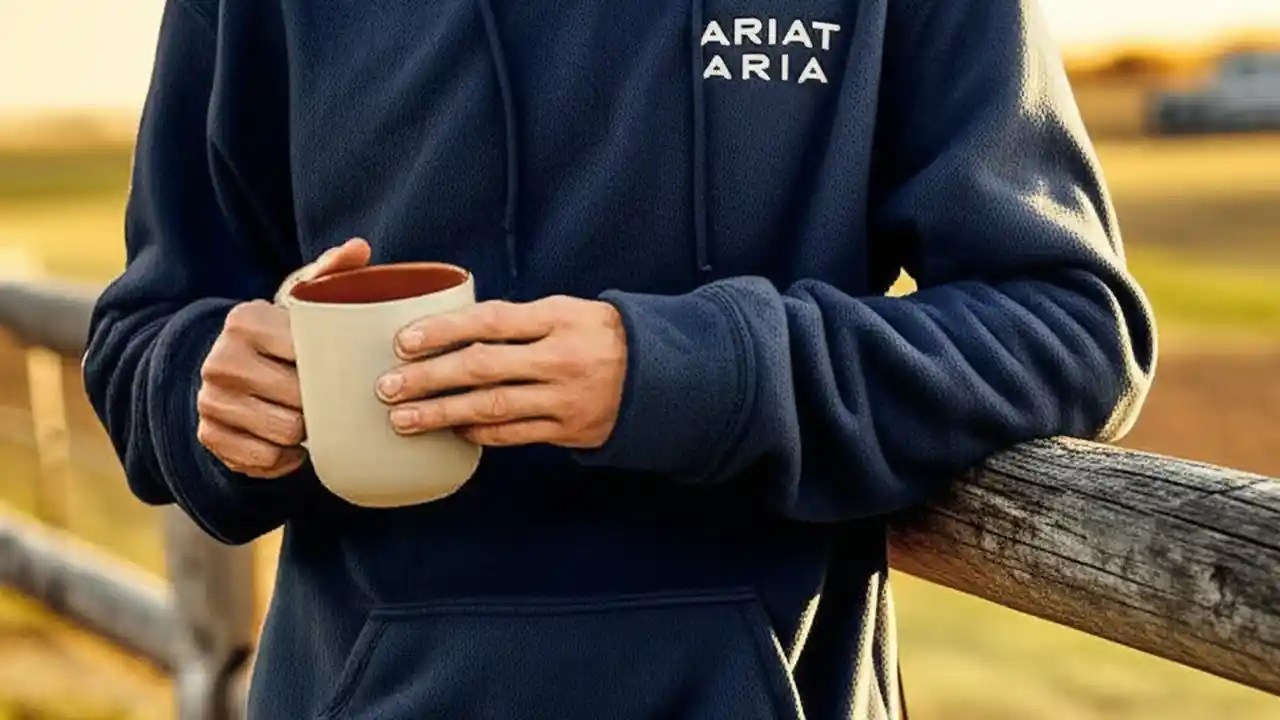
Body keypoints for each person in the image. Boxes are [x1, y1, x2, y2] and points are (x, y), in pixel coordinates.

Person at [83, 0, 1156, 717]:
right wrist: (206, 391)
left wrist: (686, 371)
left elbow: (1069, 328)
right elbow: (146, 332)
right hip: (358, 694)